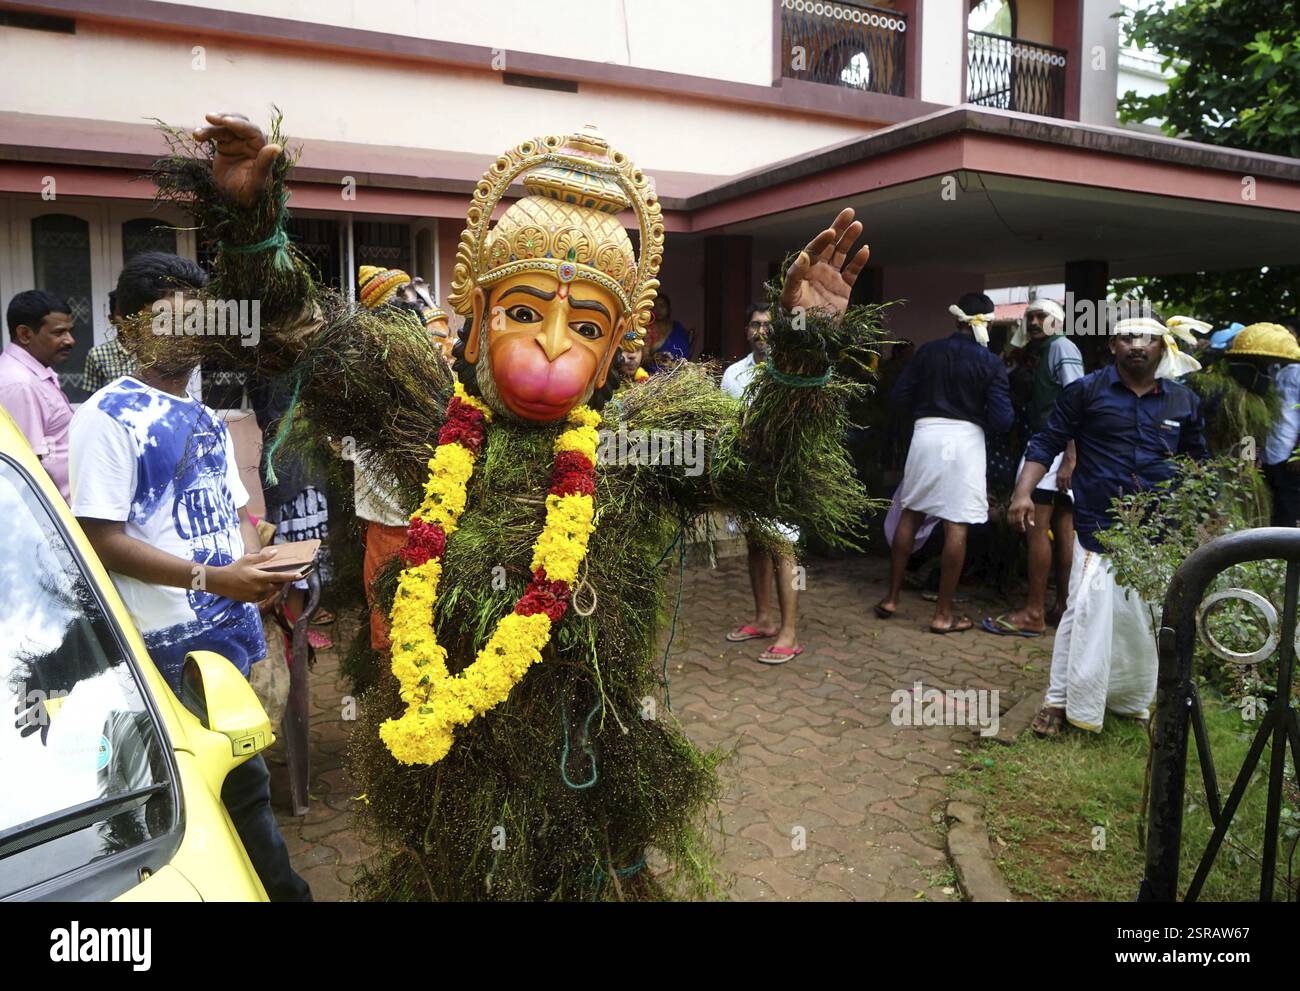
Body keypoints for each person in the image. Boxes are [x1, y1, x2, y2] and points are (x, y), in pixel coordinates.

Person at [69, 298, 311, 900]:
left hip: (227, 639)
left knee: (242, 783)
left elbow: (233, 511)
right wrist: (214, 578)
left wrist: (257, 553)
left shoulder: (203, 416)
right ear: (128, 328)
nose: (187, 333)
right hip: (165, 647)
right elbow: (101, 540)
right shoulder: (108, 415)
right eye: (168, 318)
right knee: (194, 797)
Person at [1012, 316, 1207, 737]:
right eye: (1127, 337)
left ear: (1162, 347)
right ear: (1112, 346)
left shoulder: (1183, 402)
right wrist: (1023, 492)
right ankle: (1059, 702)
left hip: (1158, 531)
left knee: (1143, 621)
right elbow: (1046, 441)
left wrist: (1204, 516)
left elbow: (1197, 463)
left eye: (1147, 338)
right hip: (1097, 526)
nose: (1137, 344)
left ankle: (1131, 702)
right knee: (1082, 612)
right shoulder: (1086, 391)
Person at [876, 292, 1013, 633]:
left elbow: (899, 396)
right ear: (988, 323)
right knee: (956, 524)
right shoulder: (991, 363)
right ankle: (942, 615)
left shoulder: (928, 351)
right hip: (966, 442)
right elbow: (1002, 419)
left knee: (912, 511)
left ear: (956, 319)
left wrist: (925, 415)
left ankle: (891, 598)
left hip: (926, 435)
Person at [984, 298, 1082, 636]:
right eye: (1031, 317)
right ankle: (1063, 605)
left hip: (1052, 450)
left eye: (1042, 316)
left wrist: (1071, 455)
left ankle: (1034, 611)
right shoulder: (1046, 349)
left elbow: (1075, 402)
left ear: (1057, 320)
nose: (1035, 322)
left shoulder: (1062, 348)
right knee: (1062, 525)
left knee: (1036, 526)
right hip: (1055, 448)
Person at [721, 302, 803, 664]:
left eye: (768, 326)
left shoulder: (791, 372)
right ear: (746, 331)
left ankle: (790, 632)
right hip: (747, 474)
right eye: (755, 325)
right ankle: (764, 619)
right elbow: (725, 424)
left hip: (782, 474)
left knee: (784, 548)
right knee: (755, 542)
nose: (761, 332)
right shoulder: (733, 375)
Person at [84, 264, 204, 400]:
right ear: (131, 330)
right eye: (163, 321)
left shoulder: (207, 417)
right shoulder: (102, 414)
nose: (181, 332)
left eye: (192, 321)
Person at [0, 290, 75, 500]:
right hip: (51, 518)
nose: (70, 340)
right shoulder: (19, 384)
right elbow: (25, 467)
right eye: (59, 333)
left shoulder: (35, 374)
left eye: (70, 331)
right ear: (25, 334)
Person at [1240, 323, 1300, 525]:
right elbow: (1249, 420)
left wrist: (1298, 453)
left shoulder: (1297, 373)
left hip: (1289, 457)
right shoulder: (1261, 374)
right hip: (1264, 456)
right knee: (1261, 511)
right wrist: (1249, 456)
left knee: (1288, 512)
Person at [646, 292, 694, 366]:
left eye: (662, 306)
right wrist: (655, 357)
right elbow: (642, 358)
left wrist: (672, 364)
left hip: (675, 372)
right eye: (655, 306)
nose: (658, 310)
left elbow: (684, 356)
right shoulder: (647, 329)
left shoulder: (678, 329)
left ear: (669, 308)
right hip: (650, 374)